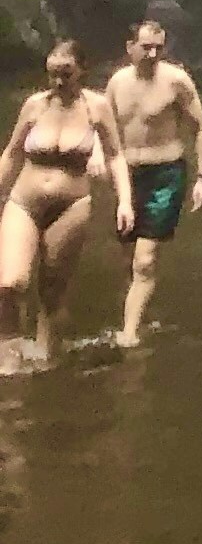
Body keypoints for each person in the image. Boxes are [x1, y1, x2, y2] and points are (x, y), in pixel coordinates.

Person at [0, 30, 128, 368]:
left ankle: (45, 357)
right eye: (52, 72)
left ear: (82, 70)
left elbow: (115, 155)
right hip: (23, 202)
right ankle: (8, 349)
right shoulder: (34, 105)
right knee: (10, 282)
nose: (58, 80)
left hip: (71, 205)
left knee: (52, 291)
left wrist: (124, 201)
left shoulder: (96, 106)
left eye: (66, 73)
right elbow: (12, 155)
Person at [107, 0, 202, 350]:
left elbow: (199, 127)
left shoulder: (176, 81)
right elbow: (102, 128)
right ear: (130, 47)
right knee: (128, 257)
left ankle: (129, 334)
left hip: (166, 174)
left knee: (145, 257)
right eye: (145, 47)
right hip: (127, 176)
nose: (152, 54)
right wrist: (95, 155)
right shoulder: (117, 82)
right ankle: (138, 311)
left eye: (158, 47)